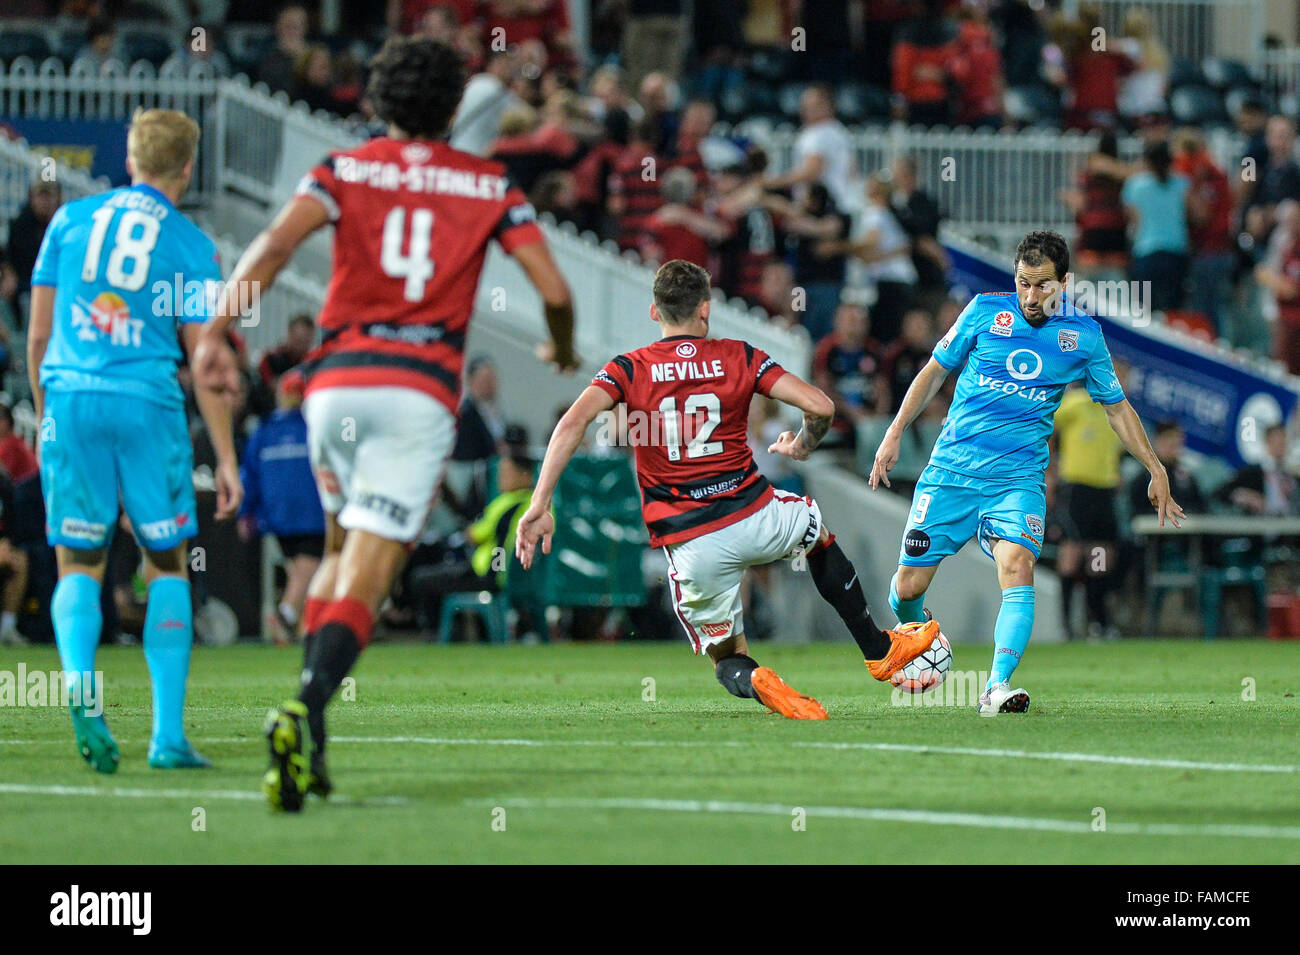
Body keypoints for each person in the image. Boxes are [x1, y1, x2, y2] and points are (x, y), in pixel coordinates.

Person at [195, 36, 577, 813]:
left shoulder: (342, 167)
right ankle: (306, 705)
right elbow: (556, 290)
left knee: (337, 550)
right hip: (416, 392)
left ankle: (316, 745)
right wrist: (562, 348)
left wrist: (211, 334)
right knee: (373, 565)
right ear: (451, 110)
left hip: (330, 393)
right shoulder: (486, 182)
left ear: (377, 101)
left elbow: (271, 248)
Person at [516, 260, 939, 719]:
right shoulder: (739, 355)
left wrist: (540, 504)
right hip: (757, 516)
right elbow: (821, 405)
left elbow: (572, 424)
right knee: (816, 535)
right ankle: (878, 648)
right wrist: (802, 444)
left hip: (691, 543)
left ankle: (757, 680)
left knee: (727, 656)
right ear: (706, 308)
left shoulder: (629, 368)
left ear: (655, 313)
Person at [870, 231, 1184, 715]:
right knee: (907, 587)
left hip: (1018, 481)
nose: (1031, 296)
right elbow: (934, 371)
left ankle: (995, 687)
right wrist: (893, 433)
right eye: (1023, 284)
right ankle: (920, 636)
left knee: (1017, 566)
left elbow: (1117, 408)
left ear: (1065, 282)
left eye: (1041, 285)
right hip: (952, 471)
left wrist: (1154, 467)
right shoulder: (981, 311)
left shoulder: (1083, 337)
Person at [27, 108, 243, 772]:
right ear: (186, 167)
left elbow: (37, 337)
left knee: (78, 563)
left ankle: (80, 690)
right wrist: (227, 457)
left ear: (130, 158)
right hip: (146, 402)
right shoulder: (188, 243)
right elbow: (205, 361)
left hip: (71, 393)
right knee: (168, 563)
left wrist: (48, 417)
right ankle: (167, 736)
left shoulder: (68, 221)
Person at [238, 370, 325, 646]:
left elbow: (247, 476)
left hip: (277, 516)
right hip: (312, 515)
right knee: (307, 568)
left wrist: (246, 512)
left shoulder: (264, 431)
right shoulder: (315, 427)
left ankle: (303, 628)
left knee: (298, 570)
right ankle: (285, 615)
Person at [1051, 382, 1124, 640]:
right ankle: (1066, 624)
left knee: (1100, 557)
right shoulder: (1077, 401)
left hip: (1104, 490)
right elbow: (1048, 424)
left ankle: (1098, 621)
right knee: (1071, 552)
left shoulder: (1116, 409)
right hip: (1076, 489)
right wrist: (1049, 469)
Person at [1122, 140, 1190, 315]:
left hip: (1146, 252)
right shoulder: (1182, 183)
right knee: (1173, 312)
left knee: (1143, 312)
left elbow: (1133, 220)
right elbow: (1196, 215)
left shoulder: (1135, 185)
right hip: (1176, 251)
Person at [812, 302, 883, 449]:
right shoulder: (826, 350)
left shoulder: (873, 349)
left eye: (861, 321)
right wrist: (853, 412)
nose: (856, 325)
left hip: (869, 419)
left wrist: (878, 418)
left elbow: (882, 388)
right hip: (837, 419)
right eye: (851, 320)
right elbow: (824, 392)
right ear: (837, 322)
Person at [1216, 423, 1299, 517]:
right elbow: (1221, 493)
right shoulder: (1252, 473)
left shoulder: (1291, 476)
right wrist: (1245, 496)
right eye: (1277, 441)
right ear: (1268, 442)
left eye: (1284, 442)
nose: (1281, 446)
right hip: (1260, 526)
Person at [0, 468, 28, 646]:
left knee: (20, 560)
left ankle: (7, 628)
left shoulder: (3, 483)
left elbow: (14, 522)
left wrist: (7, 543)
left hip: (3, 548)